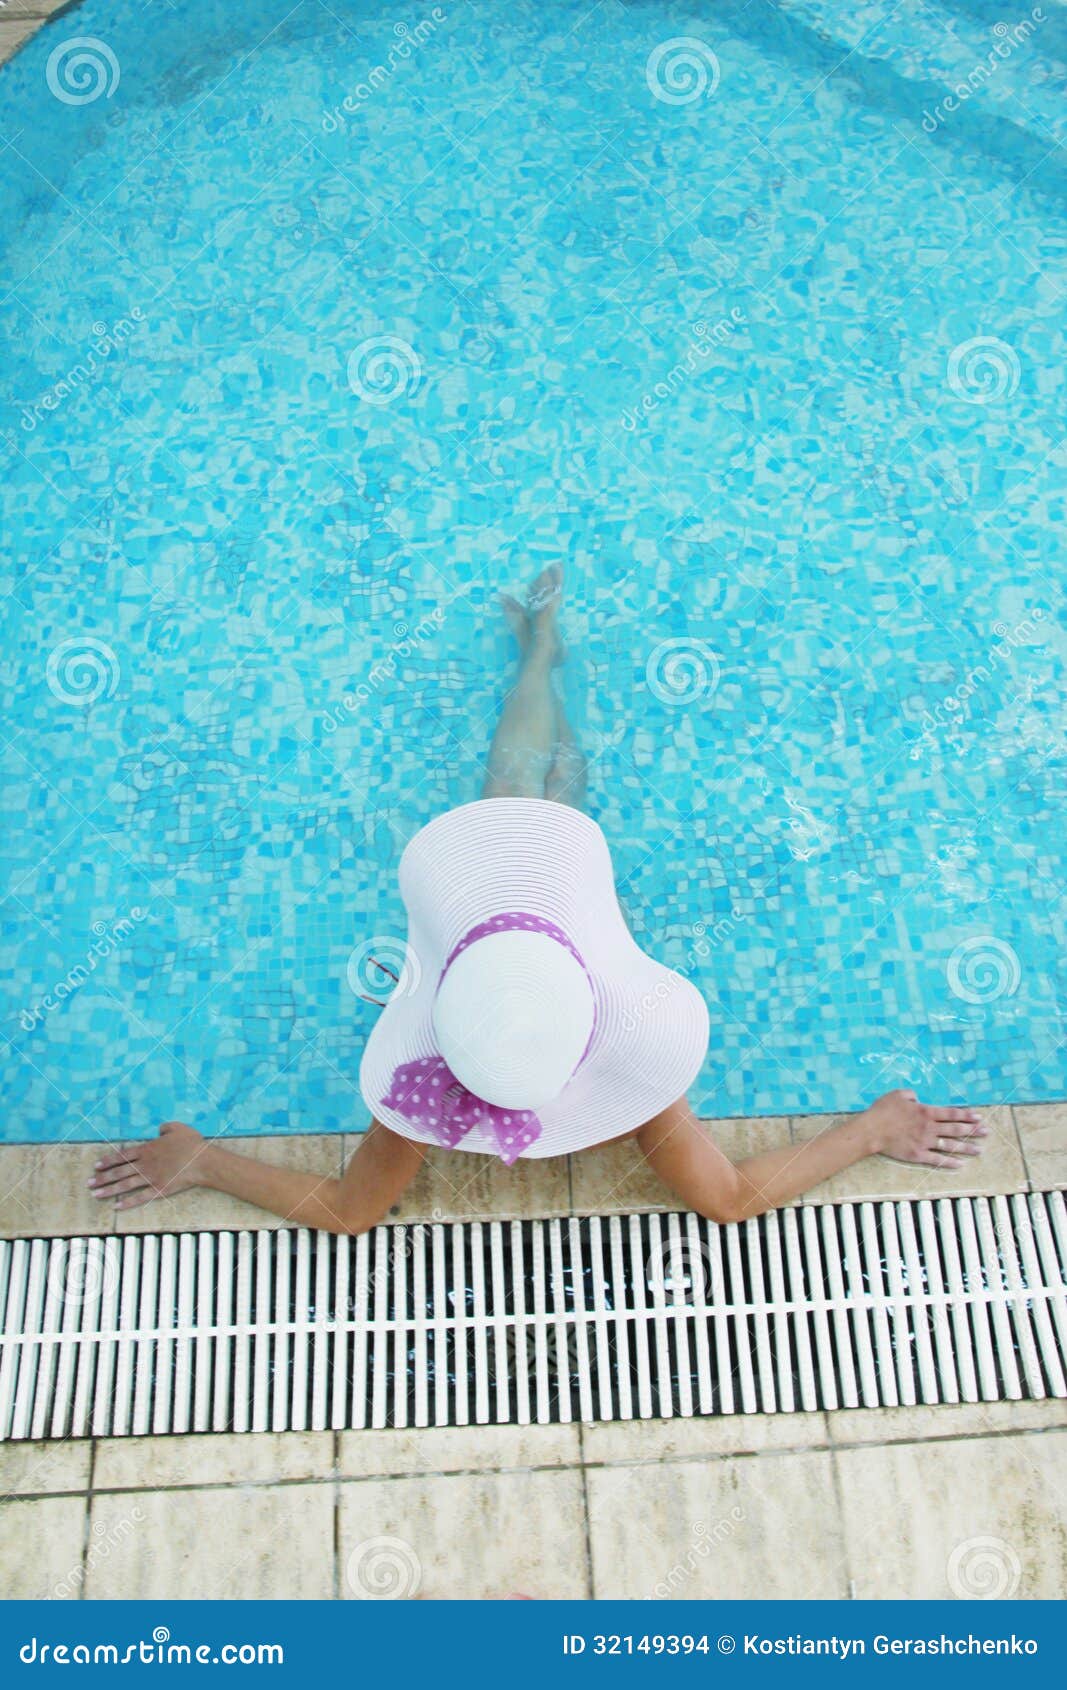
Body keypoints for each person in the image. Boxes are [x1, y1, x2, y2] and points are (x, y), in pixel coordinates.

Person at [89, 567, 987, 1227]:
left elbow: (348, 1210)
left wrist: (207, 1158)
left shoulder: (439, 1079)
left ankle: (540, 657)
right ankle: (544, 654)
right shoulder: (601, 1061)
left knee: (519, 783)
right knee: (534, 787)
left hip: (516, 925)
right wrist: (865, 1129)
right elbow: (726, 1199)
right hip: (536, 923)